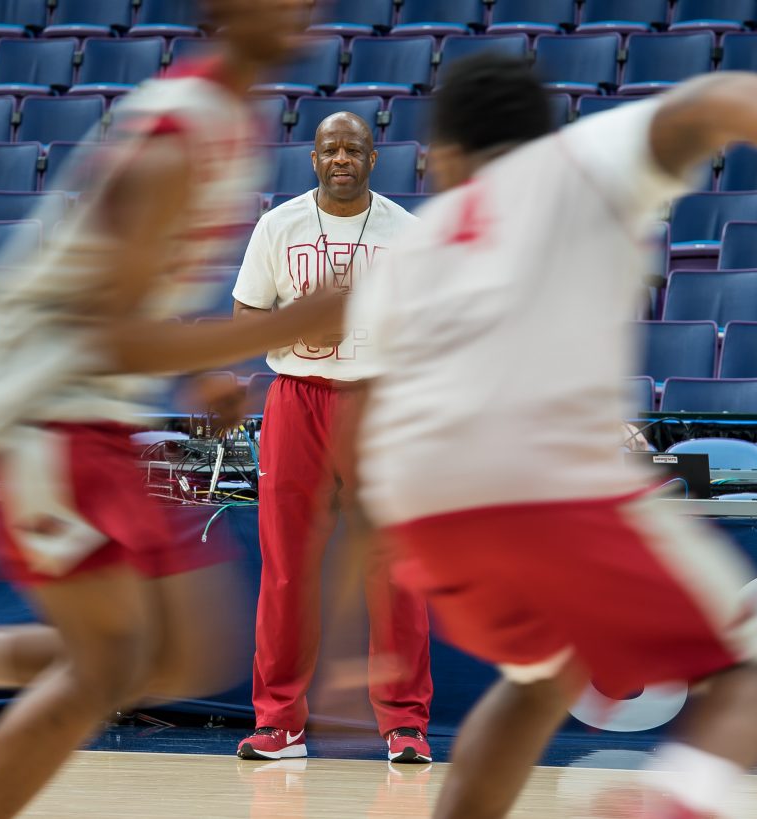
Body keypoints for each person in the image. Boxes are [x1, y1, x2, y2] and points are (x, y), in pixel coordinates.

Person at [0, 2, 349, 818]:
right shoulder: (179, 133)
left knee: (179, 653)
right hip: (38, 398)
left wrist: (196, 372)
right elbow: (107, 333)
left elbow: (121, 291)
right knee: (111, 663)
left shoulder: (229, 114)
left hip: (84, 394)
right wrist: (290, 325)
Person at [346, 54, 757, 818]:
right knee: (752, 674)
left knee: (538, 676)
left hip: (422, 503)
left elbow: (357, 422)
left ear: (442, 154)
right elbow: (723, 93)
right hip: (540, 477)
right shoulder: (579, 160)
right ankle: (675, 803)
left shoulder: (410, 247)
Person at [232, 112, 433, 764]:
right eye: (330, 148)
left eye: (354, 148)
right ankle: (279, 722)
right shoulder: (278, 226)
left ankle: (404, 723)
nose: (342, 157)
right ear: (313, 159)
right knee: (288, 568)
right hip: (297, 399)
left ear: (373, 159)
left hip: (381, 401)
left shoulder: (408, 233)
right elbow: (245, 314)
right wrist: (294, 330)